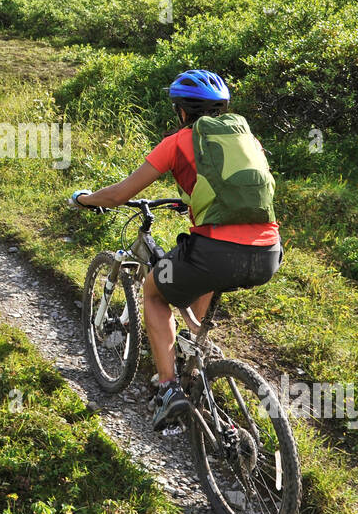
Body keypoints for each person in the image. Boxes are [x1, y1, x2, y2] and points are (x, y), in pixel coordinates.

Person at [69, 69, 283, 431]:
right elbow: (234, 188)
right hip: (268, 253)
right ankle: (190, 352)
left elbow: (121, 194)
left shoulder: (178, 141)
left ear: (182, 111)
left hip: (216, 250)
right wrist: (189, 199)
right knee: (205, 274)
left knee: (153, 290)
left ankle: (168, 389)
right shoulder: (247, 138)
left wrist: (86, 199)